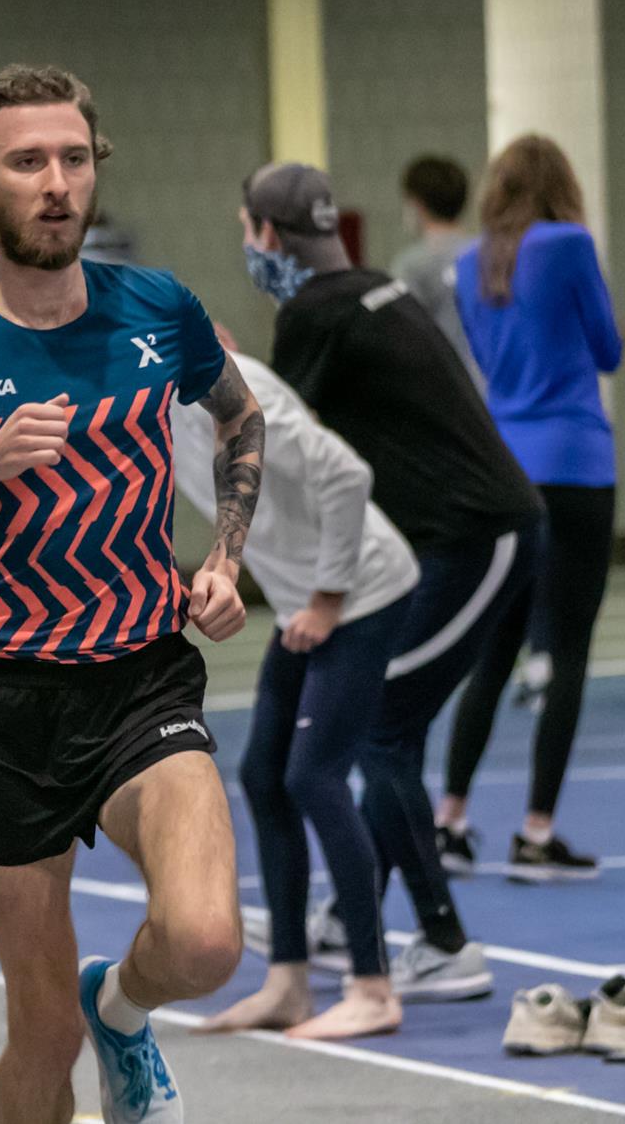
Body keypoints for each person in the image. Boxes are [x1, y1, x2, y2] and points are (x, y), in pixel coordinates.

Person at [0, 64, 262, 1124]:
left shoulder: (157, 309)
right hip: (0, 705)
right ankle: (84, 1021)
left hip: (141, 680)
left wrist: (224, 560)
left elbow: (241, 419)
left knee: (207, 941)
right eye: (27, 161)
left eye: (73, 158)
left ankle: (121, 1007)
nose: (57, 181)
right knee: (39, 1030)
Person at [248, 161, 544, 1004]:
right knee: (390, 729)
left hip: (477, 539)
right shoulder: (375, 286)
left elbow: (279, 445)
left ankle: (447, 942)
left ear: (267, 237)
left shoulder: (311, 312)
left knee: (376, 730)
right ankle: (354, 909)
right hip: (454, 539)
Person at [174, 336, 416, 1041]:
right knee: (263, 774)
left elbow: (348, 474)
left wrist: (330, 597)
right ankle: (288, 981)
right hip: (300, 602)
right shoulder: (155, 412)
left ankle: (373, 986)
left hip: (361, 592)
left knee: (314, 776)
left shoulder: (250, 396)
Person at [436, 134, 622, 881]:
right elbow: (607, 349)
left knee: (493, 648)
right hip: (575, 459)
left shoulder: (465, 262)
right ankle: (537, 830)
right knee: (567, 647)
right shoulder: (570, 244)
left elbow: (487, 361)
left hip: (503, 465)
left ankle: (449, 816)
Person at [387, 155, 477, 371]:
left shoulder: (412, 265)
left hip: (443, 384)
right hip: (488, 387)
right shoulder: (490, 255)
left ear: (416, 204)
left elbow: (401, 335)